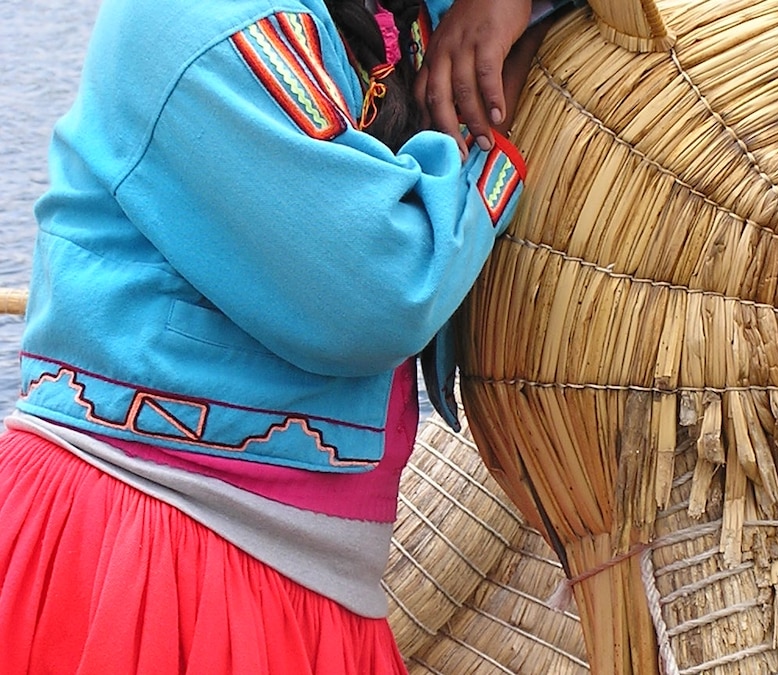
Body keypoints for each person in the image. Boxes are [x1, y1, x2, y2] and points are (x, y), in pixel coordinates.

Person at [0, 0, 558, 672]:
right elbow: (377, 291)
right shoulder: (200, 19)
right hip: (154, 560)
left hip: (311, 581)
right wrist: (486, 148)